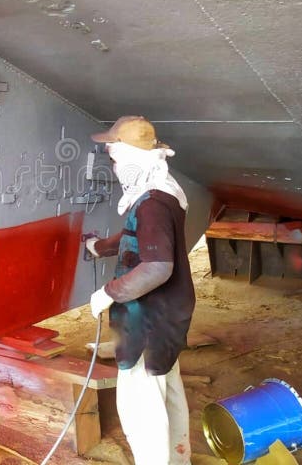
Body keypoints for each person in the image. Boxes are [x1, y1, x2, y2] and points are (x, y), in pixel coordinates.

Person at [86, 115, 193, 465]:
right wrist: (99, 247)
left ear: (132, 159)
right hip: (166, 320)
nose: (115, 168)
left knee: (142, 414)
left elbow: (157, 267)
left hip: (148, 324)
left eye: (116, 159)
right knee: (169, 397)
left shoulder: (151, 204)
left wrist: (109, 292)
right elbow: (138, 237)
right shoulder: (162, 193)